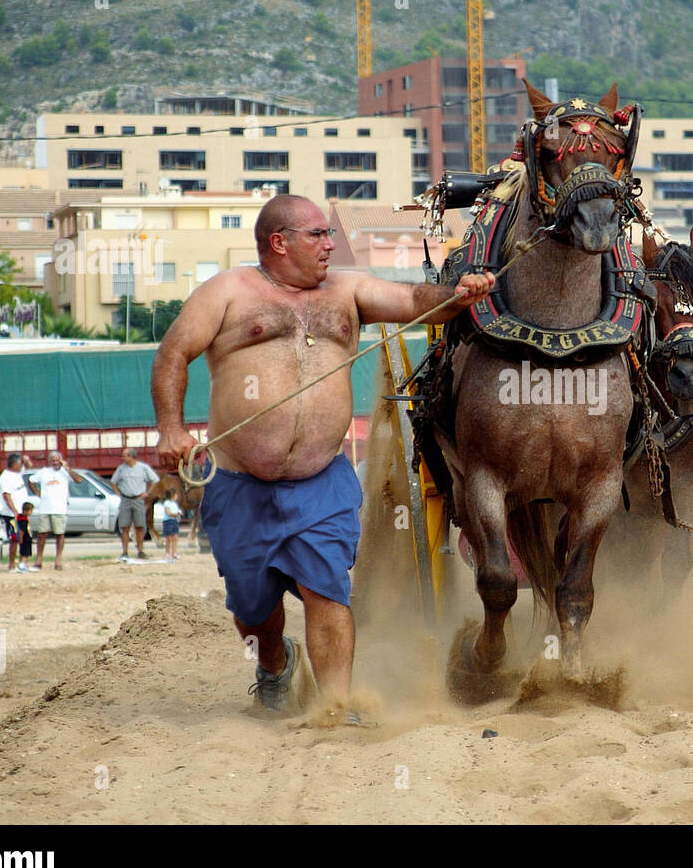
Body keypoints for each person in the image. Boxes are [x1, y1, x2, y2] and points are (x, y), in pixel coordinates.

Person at [152, 193, 493, 715]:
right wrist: (171, 429)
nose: (330, 244)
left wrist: (460, 294)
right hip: (241, 484)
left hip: (321, 482)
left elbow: (416, 302)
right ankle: (274, 661)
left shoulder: (349, 290)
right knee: (252, 605)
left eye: (330, 235)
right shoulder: (227, 291)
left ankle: (335, 703)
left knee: (327, 589)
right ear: (279, 242)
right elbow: (174, 353)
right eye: (318, 235)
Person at [28, 451, 83, 571]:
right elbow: (31, 480)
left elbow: (79, 480)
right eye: (53, 460)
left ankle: (58, 560)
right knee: (42, 534)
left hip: (60, 508)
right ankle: (39, 560)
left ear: (61, 460)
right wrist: (38, 493)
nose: (55, 463)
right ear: (50, 461)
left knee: (59, 534)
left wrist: (68, 468)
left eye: (57, 460)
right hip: (45, 508)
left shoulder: (65, 472)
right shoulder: (44, 472)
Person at [111, 448, 160, 562]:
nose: (122, 458)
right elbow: (114, 482)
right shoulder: (121, 469)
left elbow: (155, 479)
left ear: (131, 456)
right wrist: (118, 493)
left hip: (138, 499)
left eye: (124, 456)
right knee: (124, 526)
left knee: (140, 526)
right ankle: (125, 551)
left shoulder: (143, 468)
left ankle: (140, 551)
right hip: (126, 499)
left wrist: (147, 492)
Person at [0, 453, 31, 572]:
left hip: (23, 514)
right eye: (20, 463)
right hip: (12, 515)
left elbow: (29, 466)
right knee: (15, 538)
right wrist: (15, 512)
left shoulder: (17, 473)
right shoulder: (5, 477)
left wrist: (25, 461)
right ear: (14, 464)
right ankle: (11, 564)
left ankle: (23, 563)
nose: (21, 466)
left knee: (25, 537)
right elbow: (7, 496)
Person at [159, 488, 181, 562]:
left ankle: (174, 553)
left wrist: (178, 513)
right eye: (175, 495)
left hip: (174, 521)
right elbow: (168, 513)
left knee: (175, 537)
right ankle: (167, 553)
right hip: (168, 521)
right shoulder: (166, 503)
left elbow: (177, 511)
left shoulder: (175, 504)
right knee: (169, 538)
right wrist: (176, 514)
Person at [15, 500, 36, 571]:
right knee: (25, 553)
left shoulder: (20, 518)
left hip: (26, 539)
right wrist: (20, 538)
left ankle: (24, 565)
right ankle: (22, 565)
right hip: (25, 539)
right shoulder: (24, 520)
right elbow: (22, 530)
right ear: (26, 511)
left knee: (23, 552)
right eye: (31, 511)